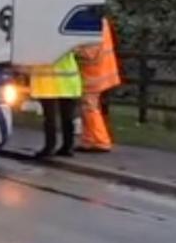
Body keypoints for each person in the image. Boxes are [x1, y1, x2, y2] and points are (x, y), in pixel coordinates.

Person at [29, 47, 83, 157]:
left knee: (50, 118)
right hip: (67, 79)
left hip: (48, 81)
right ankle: (67, 147)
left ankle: (50, 147)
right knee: (67, 117)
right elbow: (77, 49)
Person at [78, 17, 122, 152]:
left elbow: (90, 53)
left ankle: (100, 140)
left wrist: (73, 50)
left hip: (93, 74)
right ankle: (89, 139)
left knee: (90, 108)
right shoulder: (100, 21)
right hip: (102, 72)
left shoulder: (90, 24)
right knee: (89, 107)